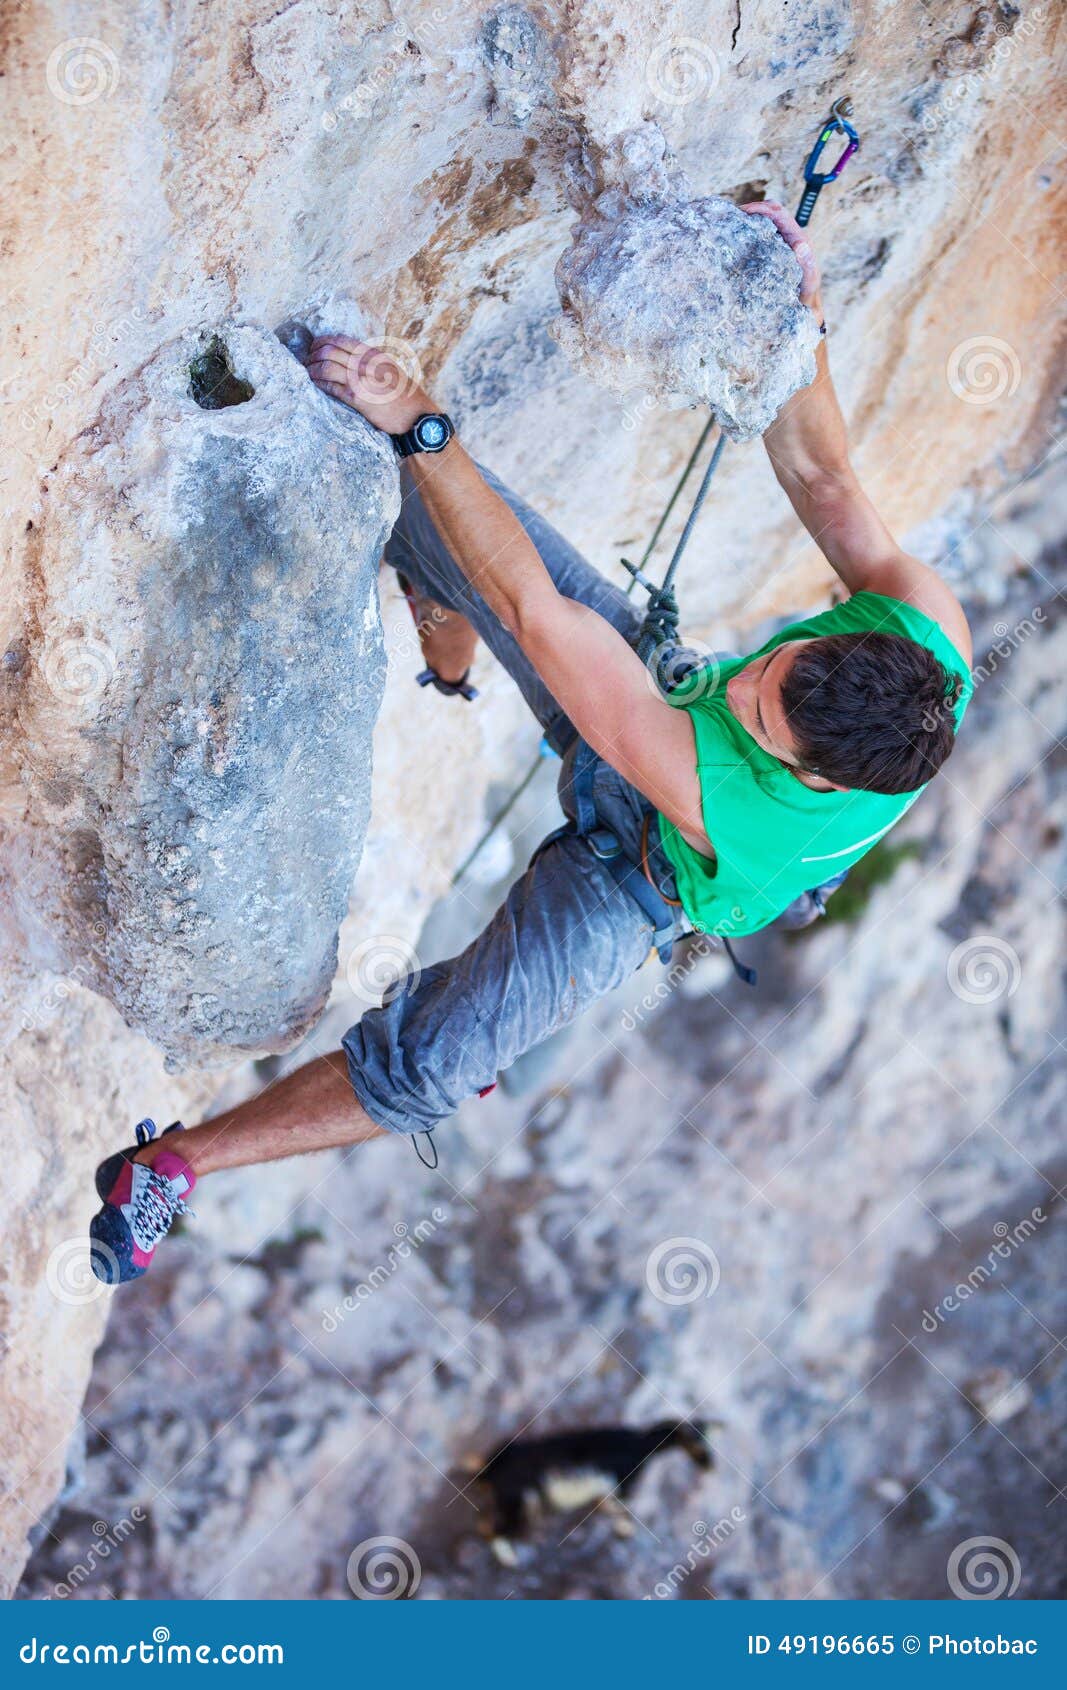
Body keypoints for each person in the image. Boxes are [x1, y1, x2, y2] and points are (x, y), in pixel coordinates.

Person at [89, 204, 972, 1285]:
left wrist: (423, 419)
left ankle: (175, 1163)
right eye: (772, 662)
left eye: (759, 708)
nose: (744, 676)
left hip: (645, 872)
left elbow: (540, 610)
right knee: (411, 506)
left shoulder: (727, 801)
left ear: (801, 773)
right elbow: (827, 480)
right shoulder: (918, 633)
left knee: (436, 1066)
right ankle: (432, 612)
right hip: (662, 711)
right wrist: (800, 323)